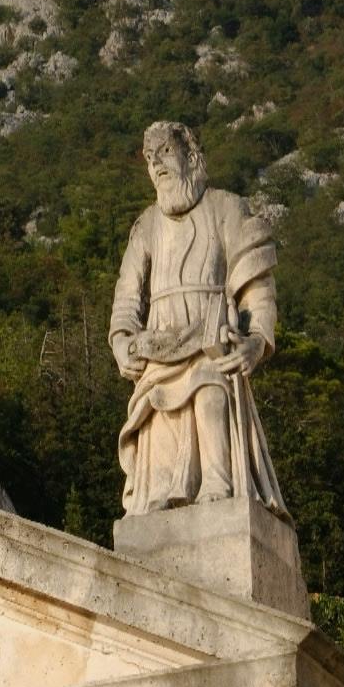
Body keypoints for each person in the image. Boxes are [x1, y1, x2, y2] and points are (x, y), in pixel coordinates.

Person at [109, 121, 286, 516]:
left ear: (190, 157)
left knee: (210, 386)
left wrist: (256, 339)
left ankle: (218, 486)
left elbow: (255, 284)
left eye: (165, 153)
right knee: (156, 412)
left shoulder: (226, 208)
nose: (157, 165)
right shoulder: (146, 226)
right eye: (150, 159)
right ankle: (161, 498)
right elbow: (126, 297)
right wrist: (122, 342)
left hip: (210, 338)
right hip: (159, 351)